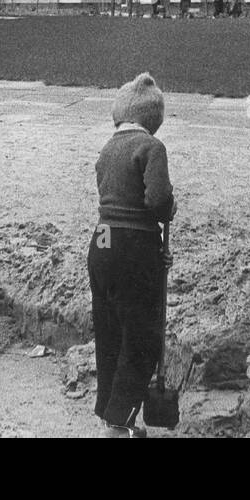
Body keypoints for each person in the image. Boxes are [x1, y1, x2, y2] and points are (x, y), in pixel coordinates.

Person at [90, 72, 176, 438]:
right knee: (141, 333)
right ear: (153, 118)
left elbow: (108, 193)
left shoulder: (108, 147)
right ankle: (117, 423)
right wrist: (169, 210)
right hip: (133, 244)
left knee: (110, 330)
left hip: (102, 241)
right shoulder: (151, 148)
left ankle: (113, 412)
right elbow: (157, 202)